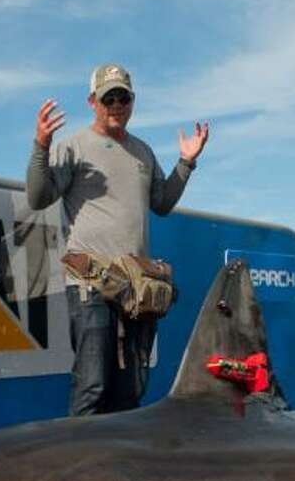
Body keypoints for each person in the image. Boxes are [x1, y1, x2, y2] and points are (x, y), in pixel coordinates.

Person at [26, 63, 209, 416]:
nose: (116, 105)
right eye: (108, 97)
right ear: (92, 101)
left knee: (131, 392)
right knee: (91, 386)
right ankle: (83, 466)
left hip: (136, 289)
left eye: (122, 97)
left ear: (132, 101)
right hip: (89, 283)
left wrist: (185, 163)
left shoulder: (143, 152)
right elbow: (37, 198)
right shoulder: (73, 147)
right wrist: (40, 146)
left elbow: (163, 203)